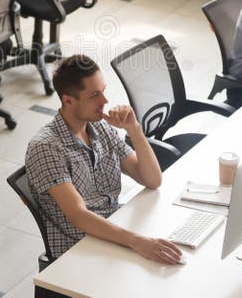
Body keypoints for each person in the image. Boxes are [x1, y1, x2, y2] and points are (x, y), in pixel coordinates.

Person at [25, 54, 183, 264]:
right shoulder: (46, 147)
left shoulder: (99, 128)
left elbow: (152, 180)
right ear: (68, 100)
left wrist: (134, 129)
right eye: (94, 95)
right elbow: (79, 215)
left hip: (115, 232)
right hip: (80, 251)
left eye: (104, 90)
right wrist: (136, 241)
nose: (105, 101)